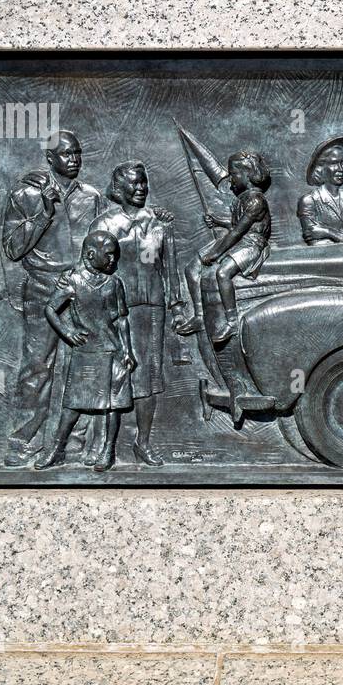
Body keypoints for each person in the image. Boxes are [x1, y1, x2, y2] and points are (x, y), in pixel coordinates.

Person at [1, 129, 106, 463]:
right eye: (66, 155)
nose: (74, 160)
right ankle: (23, 441)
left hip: (85, 287)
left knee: (85, 365)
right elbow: (12, 249)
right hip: (44, 286)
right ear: (49, 158)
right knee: (37, 367)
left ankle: (74, 442)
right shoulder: (25, 193)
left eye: (77, 153)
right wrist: (43, 212)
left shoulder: (91, 196)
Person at [90, 162, 183, 467]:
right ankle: (107, 447)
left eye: (144, 182)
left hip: (152, 307)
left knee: (148, 378)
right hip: (118, 309)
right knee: (116, 377)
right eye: (134, 183)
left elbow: (170, 266)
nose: (141, 187)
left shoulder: (158, 222)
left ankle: (143, 442)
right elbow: (91, 270)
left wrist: (178, 303)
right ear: (118, 189)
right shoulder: (105, 223)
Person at [39, 231, 135, 473]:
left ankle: (108, 450)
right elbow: (50, 308)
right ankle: (57, 449)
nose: (114, 260)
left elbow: (122, 319)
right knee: (73, 405)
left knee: (113, 405)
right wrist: (67, 333)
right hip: (87, 352)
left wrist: (128, 351)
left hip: (113, 350)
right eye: (109, 255)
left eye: (115, 255)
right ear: (91, 255)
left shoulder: (114, 283)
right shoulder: (72, 280)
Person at [175, 150, 271, 345]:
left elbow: (238, 232)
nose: (230, 180)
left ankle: (232, 321)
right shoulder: (241, 199)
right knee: (192, 268)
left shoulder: (255, 200)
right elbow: (235, 227)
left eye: (234, 174)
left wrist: (216, 253)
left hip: (252, 243)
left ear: (248, 175)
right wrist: (219, 221)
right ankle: (200, 315)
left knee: (223, 273)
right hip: (238, 239)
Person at [297, 135, 343, 244]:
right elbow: (314, 240)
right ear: (321, 168)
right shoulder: (309, 201)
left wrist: (328, 232)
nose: (341, 169)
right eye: (334, 163)